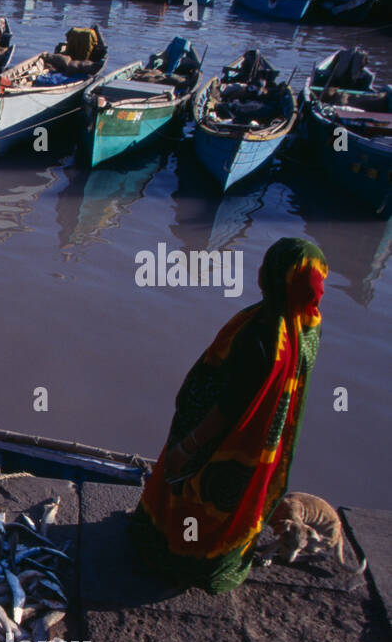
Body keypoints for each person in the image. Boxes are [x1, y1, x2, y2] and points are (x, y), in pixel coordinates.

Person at [130, 238, 328, 594]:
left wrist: (188, 446)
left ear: (271, 278)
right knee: (229, 505)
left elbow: (232, 404)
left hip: (221, 443)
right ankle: (209, 561)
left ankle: (171, 560)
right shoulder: (306, 325)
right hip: (260, 448)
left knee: (196, 495)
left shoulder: (262, 335)